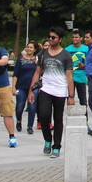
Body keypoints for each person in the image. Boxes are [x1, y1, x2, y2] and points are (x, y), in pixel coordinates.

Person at [28, 28, 74, 157]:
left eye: (53, 37)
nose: (50, 39)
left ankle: (56, 146)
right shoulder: (42, 54)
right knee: (43, 116)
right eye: (49, 37)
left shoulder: (66, 55)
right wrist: (31, 90)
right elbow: (37, 72)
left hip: (60, 90)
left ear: (59, 39)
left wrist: (71, 96)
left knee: (58, 119)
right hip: (46, 88)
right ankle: (47, 139)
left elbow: (70, 76)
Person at [13, 41, 39, 134]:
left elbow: (41, 72)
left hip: (33, 87)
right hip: (21, 86)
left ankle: (30, 126)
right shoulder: (20, 59)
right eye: (28, 47)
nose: (29, 49)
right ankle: (19, 121)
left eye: (31, 47)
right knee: (20, 106)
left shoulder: (37, 60)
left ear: (35, 50)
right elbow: (15, 74)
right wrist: (13, 87)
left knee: (32, 106)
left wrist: (38, 63)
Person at [65, 30, 89, 106]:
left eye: (76, 37)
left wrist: (84, 66)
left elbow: (90, 63)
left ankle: (85, 117)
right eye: (73, 37)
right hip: (70, 77)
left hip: (81, 77)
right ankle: (70, 116)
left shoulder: (86, 49)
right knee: (70, 99)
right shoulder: (67, 49)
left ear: (81, 38)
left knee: (83, 100)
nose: (75, 39)